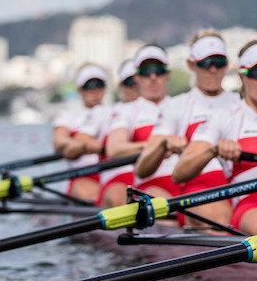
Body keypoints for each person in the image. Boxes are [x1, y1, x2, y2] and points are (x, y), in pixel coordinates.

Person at [172, 40, 257, 235]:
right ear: (242, 75)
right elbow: (179, 174)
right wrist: (213, 150)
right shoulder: (224, 117)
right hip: (253, 204)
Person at [136, 31, 239, 228]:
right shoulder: (176, 106)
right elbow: (142, 170)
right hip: (195, 188)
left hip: (238, 188)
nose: (212, 70)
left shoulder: (240, 103)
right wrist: (163, 145)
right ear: (191, 65)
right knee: (219, 218)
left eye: (218, 62)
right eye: (205, 63)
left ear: (227, 64)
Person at [105, 44, 179, 200]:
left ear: (168, 74)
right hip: (150, 185)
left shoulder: (182, 105)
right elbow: (113, 149)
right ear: (137, 77)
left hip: (186, 182)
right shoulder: (127, 111)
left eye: (158, 71)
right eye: (146, 72)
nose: (153, 77)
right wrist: (155, 147)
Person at [66, 59, 137, 206]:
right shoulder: (104, 113)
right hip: (108, 181)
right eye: (130, 81)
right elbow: (69, 149)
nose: (136, 85)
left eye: (99, 85)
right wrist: (85, 145)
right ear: (121, 86)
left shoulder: (166, 108)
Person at [53, 63, 108, 203]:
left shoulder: (115, 113)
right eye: (89, 86)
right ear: (79, 90)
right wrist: (82, 145)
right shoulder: (69, 115)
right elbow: (59, 142)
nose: (95, 90)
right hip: (82, 176)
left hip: (110, 174)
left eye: (99, 85)